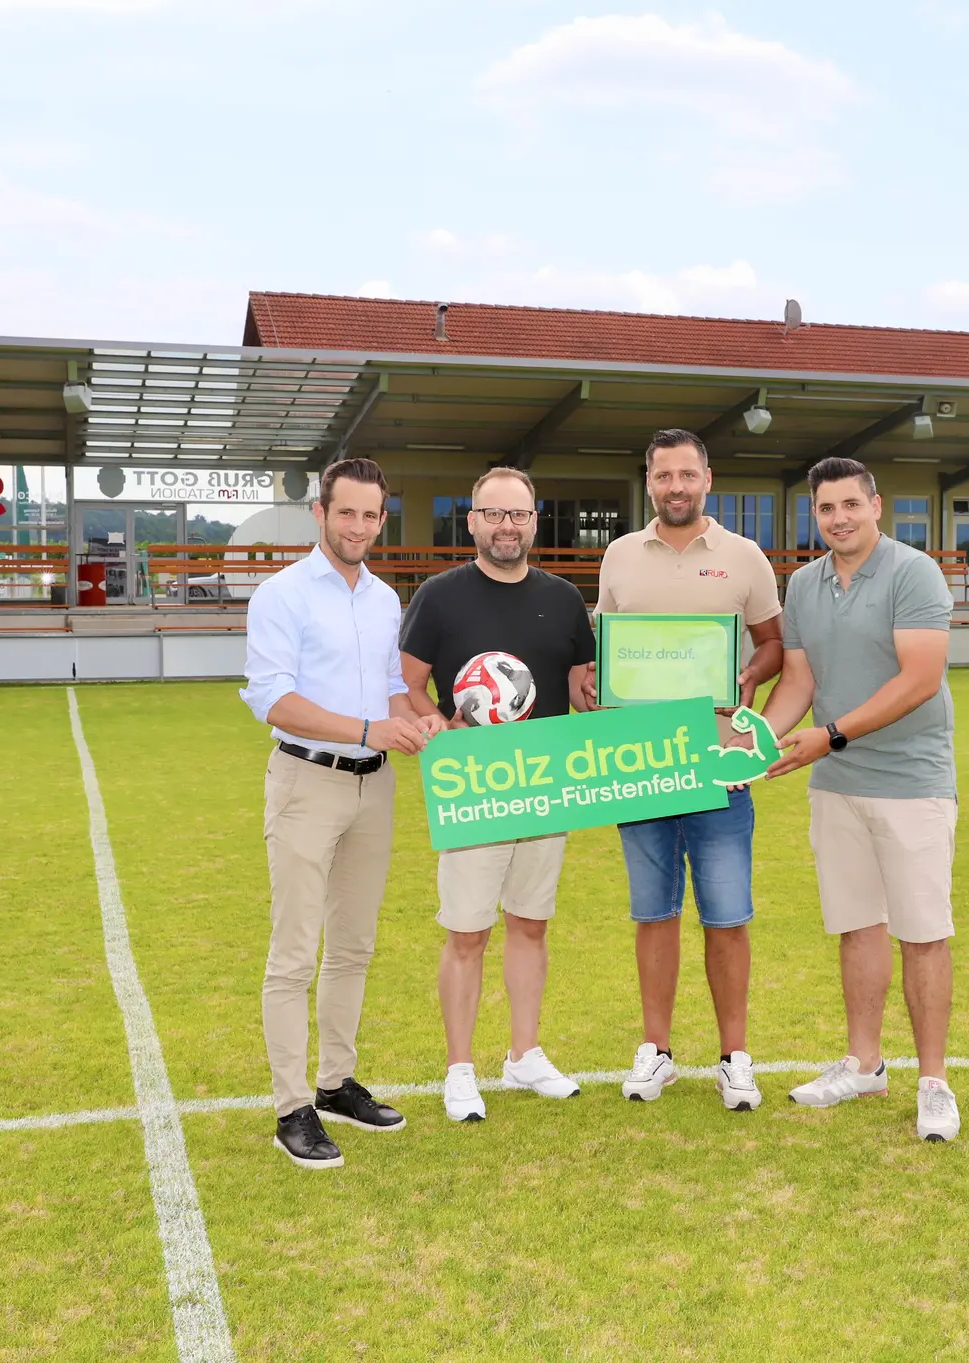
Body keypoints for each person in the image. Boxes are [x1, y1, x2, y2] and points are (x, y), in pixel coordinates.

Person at [240, 457, 443, 1170]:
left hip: (374, 785)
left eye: (370, 515)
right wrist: (366, 731)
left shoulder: (385, 598)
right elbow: (274, 699)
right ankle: (291, 1107)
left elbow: (391, 687)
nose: (358, 526)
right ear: (320, 513)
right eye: (346, 512)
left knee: (354, 944)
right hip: (306, 782)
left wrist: (417, 723)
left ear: (382, 520)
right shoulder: (281, 594)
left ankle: (333, 1084)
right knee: (294, 951)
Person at [758, 455, 962, 1143]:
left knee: (923, 934)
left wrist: (831, 734)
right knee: (856, 927)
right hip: (837, 783)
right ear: (813, 514)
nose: (839, 518)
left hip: (910, 781)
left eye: (851, 504)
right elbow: (797, 681)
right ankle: (865, 1063)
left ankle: (932, 1080)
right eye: (826, 508)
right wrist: (759, 739)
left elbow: (920, 679)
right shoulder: (805, 584)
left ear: (878, 505)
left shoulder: (914, 571)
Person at [589, 428, 784, 1111]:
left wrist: (746, 678)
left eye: (687, 474)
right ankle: (657, 1050)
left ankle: (735, 1056)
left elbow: (773, 644)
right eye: (663, 475)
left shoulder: (744, 556)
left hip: (719, 764)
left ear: (708, 478)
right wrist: (591, 678)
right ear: (648, 481)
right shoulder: (617, 556)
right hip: (640, 765)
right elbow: (605, 649)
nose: (676, 486)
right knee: (654, 912)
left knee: (727, 915)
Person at [399, 467, 597, 1123]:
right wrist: (434, 721)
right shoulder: (440, 595)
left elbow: (582, 687)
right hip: (475, 785)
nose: (506, 525)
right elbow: (407, 686)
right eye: (493, 514)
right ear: (473, 519)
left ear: (535, 520)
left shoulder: (566, 598)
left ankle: (523, 1053)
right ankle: (460, 1068)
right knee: (466, 931)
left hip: (545, 782)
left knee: (531, 923)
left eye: (518, 514)